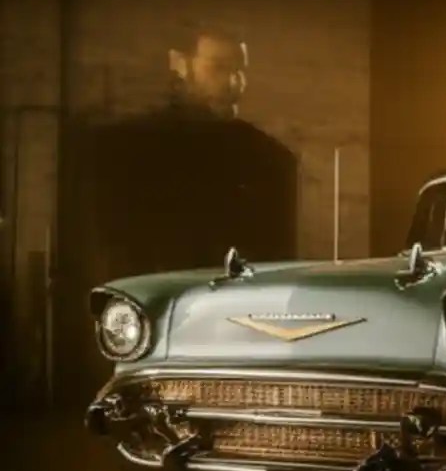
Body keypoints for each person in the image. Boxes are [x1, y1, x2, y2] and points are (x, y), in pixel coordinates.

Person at [55, 22, 299, 405]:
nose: (234, 82)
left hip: (236, 327)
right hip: (156, 322)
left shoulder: (268, 159)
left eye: (240, 70)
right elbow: (109, 248)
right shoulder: (126, 151)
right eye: (218, 68)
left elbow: (279, 255)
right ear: (180, 65)